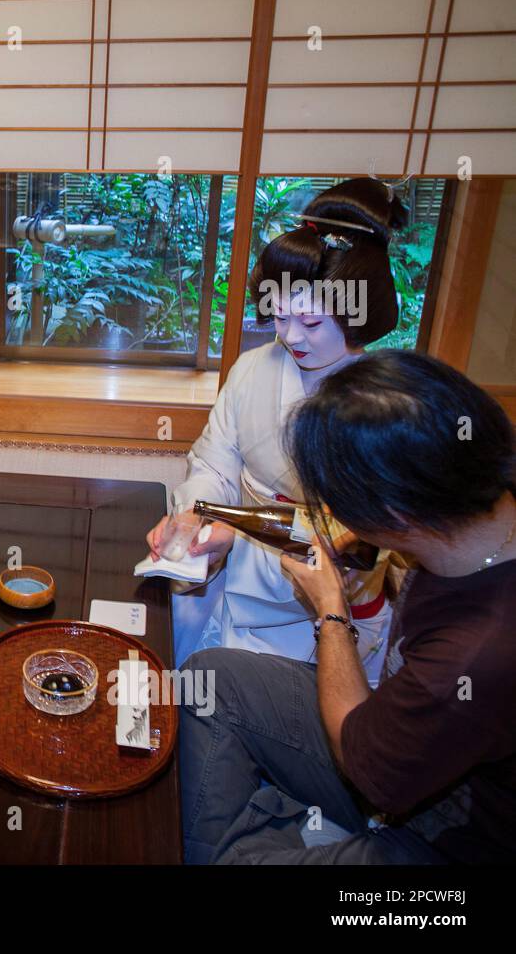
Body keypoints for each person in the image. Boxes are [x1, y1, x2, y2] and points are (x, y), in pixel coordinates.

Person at [179, 350, 516, 863]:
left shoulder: (476, 654)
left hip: (446, 834)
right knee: (209, 680)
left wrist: (331, 610)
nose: (332, 514)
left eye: (339, 502)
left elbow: (369, 770)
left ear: (399, 513)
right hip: (407, 746)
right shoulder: (477, 494)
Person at [146, 178, 405, 677]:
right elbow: (214, 462)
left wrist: (230, 537)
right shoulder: (252, 369)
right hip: (232, 582)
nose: (289, 337)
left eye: (310, 323)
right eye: (279, 317)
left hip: (322, 612)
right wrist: (195, 520)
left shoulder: (387, 408)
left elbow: (348, 559)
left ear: (359, 312)